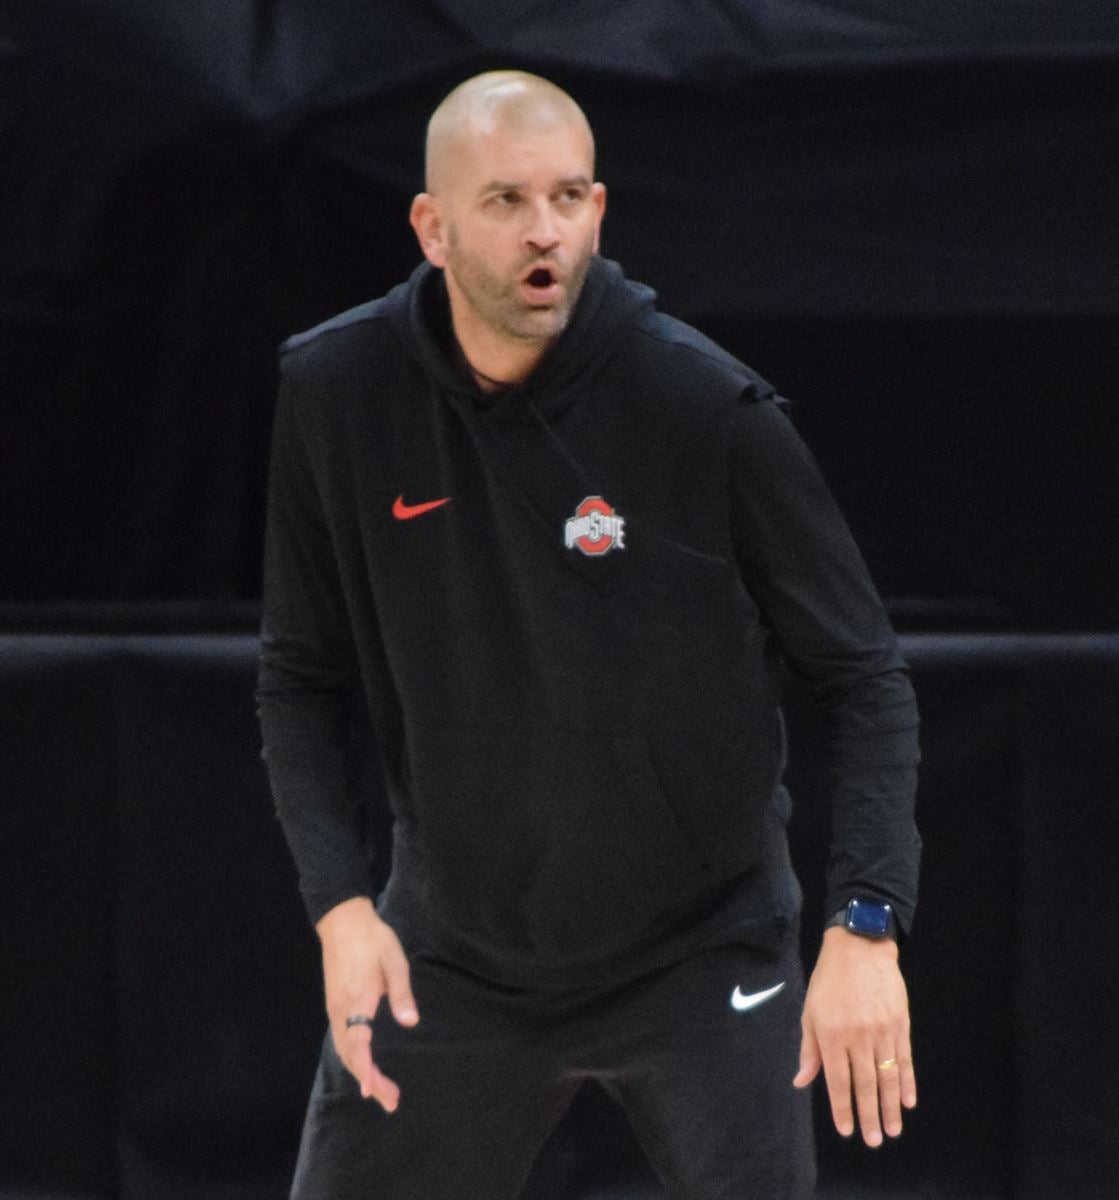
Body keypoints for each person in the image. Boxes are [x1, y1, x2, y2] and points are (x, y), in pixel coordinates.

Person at [257, 69, 920, 1200]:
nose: (544, 231)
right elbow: (300, 674)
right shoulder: (337, 390)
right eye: (506, 201)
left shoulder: (702, 405)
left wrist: (868, 924)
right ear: (432, 225)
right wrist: (339, 904)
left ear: (601, 210)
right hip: (454, 952)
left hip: (702, 944)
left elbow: (863, 674)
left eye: (568, 198)